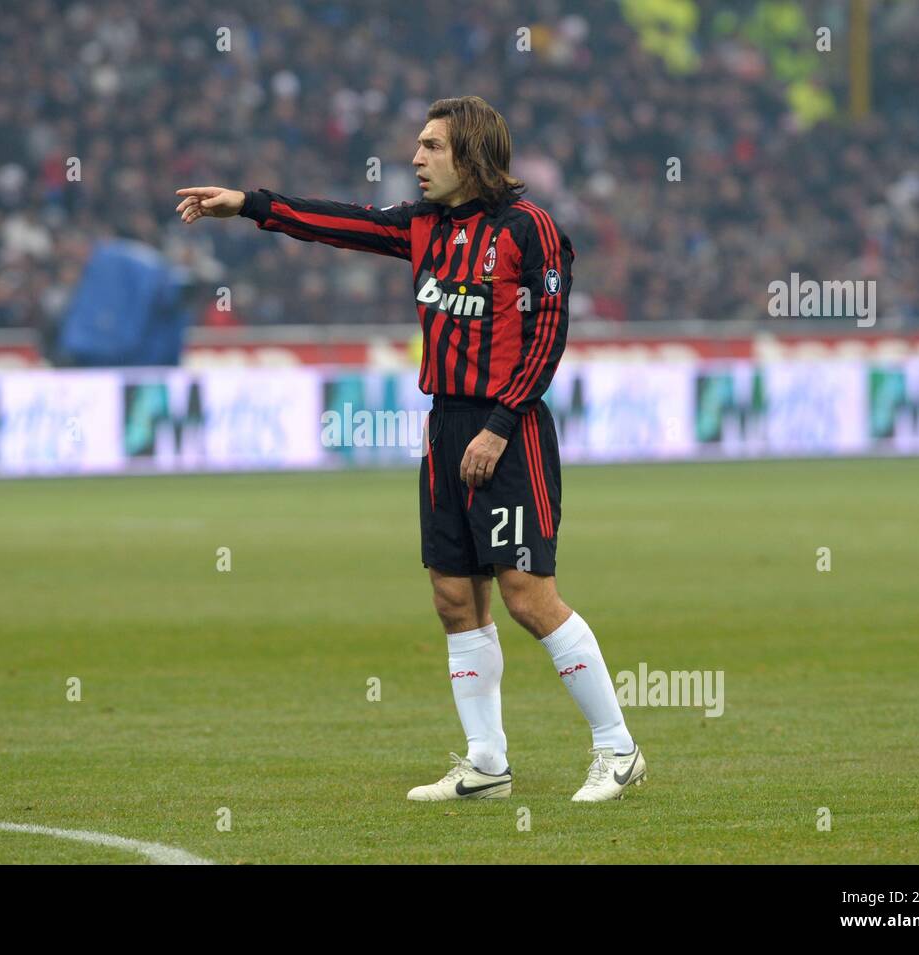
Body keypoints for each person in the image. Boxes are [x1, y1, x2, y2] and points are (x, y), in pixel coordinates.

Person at [175, 95, 644, 803]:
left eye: (431, 146)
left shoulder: (530, 230)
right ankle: (486, 763)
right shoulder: (423, 227)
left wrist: (499, 424)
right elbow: (341, 223)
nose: (416, 158)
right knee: (455, 597)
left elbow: (548, 337)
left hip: (508, 430)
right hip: (444, 426)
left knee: (526, 596)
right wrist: (246, 204)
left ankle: (618, 749)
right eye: (418, 146)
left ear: (472, 154)